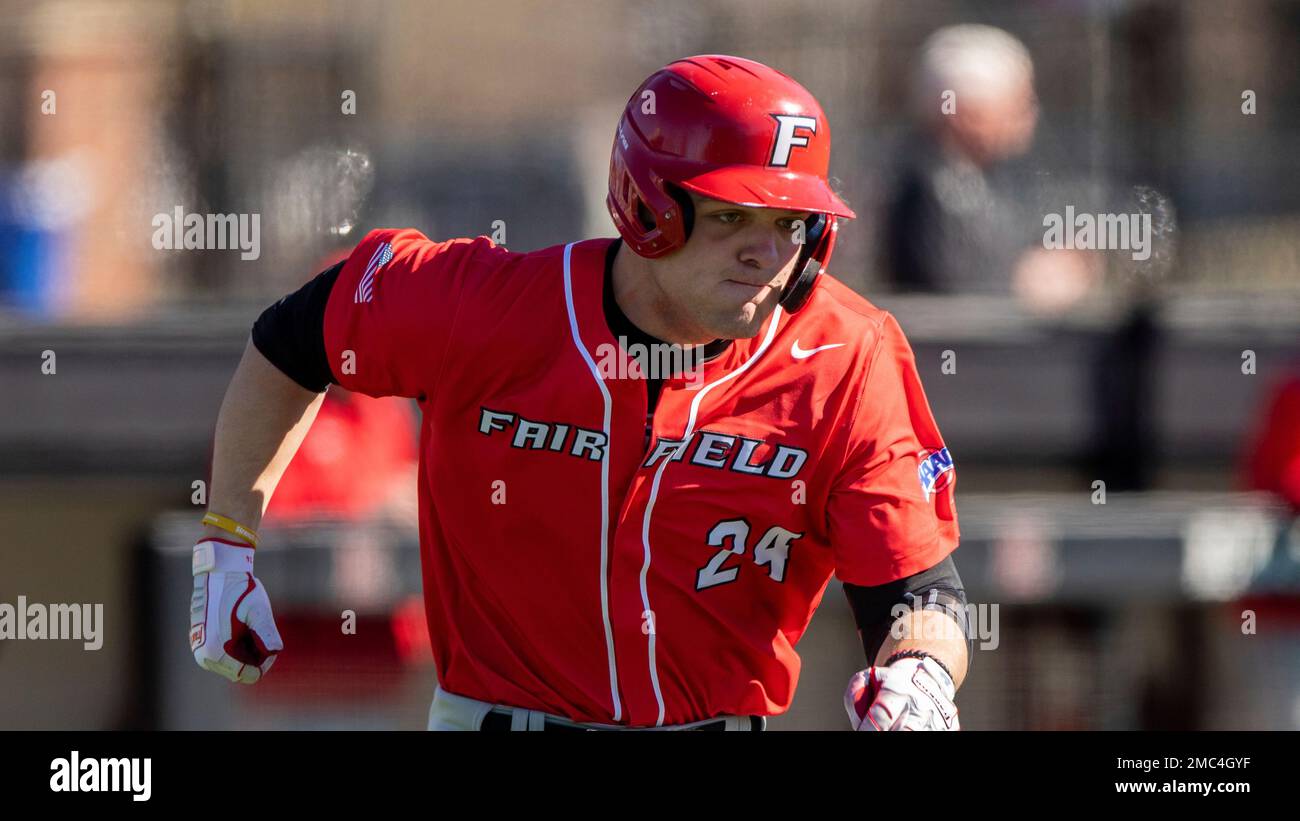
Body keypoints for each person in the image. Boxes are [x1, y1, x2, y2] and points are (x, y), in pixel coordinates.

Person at [189, 55, 969, 731]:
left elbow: (919, 591)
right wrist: (227, 541)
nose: (767, 252)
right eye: (735, 217)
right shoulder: (482, 307)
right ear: (650, 204)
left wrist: (921, 673)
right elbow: (292, 342)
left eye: (791, 223)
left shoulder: (847, 356)